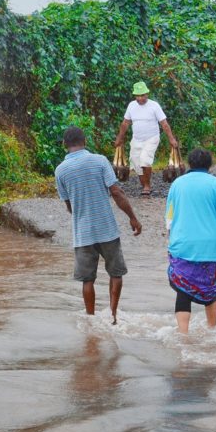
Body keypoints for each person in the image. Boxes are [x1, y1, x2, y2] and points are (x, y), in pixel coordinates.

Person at [55, 126, 142, 324]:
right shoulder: (100, 160)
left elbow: (69, 206)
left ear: (64, 145)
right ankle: (113, 315)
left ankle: (91, 318)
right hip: (107, 230)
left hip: (83, 234)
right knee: (116, 273)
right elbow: (116, 192)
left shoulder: (61, 170)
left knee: (87, 280)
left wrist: (80, 214)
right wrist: (133, 217)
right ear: (84, 141)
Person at [165, 148, 216, 334]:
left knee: (182, 289)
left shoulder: (177, 184)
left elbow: (169, 220)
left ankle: (183, 335)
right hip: (210, 247)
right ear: (209, 165)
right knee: (210, 288)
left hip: (182, 244)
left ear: (189, 164)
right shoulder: (215, 184)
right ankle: (211, 331)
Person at [114, 81, 180, 196]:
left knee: (145, 160)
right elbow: (125, 123)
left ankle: (147, 186)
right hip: (136, 139)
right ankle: (143, 184)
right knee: (135, 162)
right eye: (138, 96)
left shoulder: (154, 106)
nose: (140, 98)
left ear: (147, 94)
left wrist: (171, 139)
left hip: (152, 138)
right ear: (135, 96)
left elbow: (164, 124)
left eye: (142, 95)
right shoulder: (131, 106)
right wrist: (120, 138)